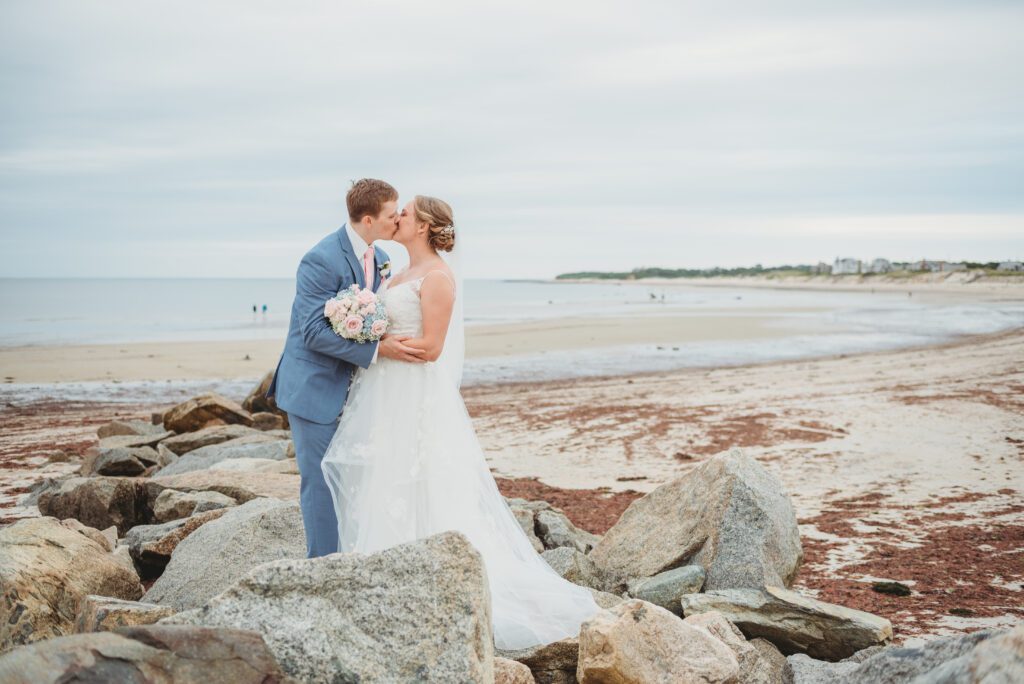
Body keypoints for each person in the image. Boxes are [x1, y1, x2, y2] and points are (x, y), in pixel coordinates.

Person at [321, 195, 602, 650]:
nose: (399, 217)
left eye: (406, 213)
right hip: (382, 393)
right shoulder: (399, 272)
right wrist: (365, 330)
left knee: (421, 482)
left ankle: (438, 588)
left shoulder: (437, 278)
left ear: (426, 225)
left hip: (411, 395)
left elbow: (431, 348)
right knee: (385, 480)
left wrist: (377, 337)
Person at [266, 179, 426, 558]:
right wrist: (378, 350)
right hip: (313, 389)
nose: (397, 218)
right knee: (320, 483)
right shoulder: (320, 259)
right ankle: (322, 567)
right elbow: (313, 334)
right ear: (368, 219)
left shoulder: (379, 257)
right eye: (391, 214)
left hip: (356, 391)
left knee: (352, 478)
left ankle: (351, 557)